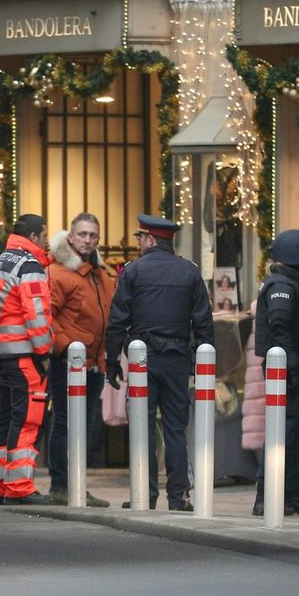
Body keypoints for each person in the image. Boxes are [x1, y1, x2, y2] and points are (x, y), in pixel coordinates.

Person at [105, 214, 215, 511]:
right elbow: (204, 323)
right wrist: (203, 366)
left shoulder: (133, 272)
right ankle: (179, 497)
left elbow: (117, 320)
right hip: (177, 359)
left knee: (142, 427)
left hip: (143, 362)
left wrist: (112, 360)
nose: (138, 243)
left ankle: (145, 494)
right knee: (175, 429)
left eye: (140, 238)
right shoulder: (189, 272)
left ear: (151, 239)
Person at [0, 214, 55, 506]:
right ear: (35, 236)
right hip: (24, 352)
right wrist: (45, 350)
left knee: (6, 417)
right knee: (26, 418)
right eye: (45, 234)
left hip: (1, 351)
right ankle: (19, 486)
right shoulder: (29, 265)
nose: (47, 240)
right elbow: (36, 314)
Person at [250, 229, 299, 517]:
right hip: (289, 374)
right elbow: (279, 326)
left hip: (298, 372)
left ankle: (290, 494)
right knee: (283, 434)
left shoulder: (295, 282)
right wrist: (290, 367)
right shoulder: (282, 285)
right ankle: (265, 496)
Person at [45, 213, 116, 507]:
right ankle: (60, 486)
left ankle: (78, 487)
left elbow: (108, 315)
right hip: (68, 363)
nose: (88, 240)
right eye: (83, 234)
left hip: (95, 363)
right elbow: (46, 317)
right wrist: (66, 348)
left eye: (93, 235)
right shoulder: (58, 273)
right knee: (63, 423)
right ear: (70, 237)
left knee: (86, 426)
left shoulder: (101, 275)